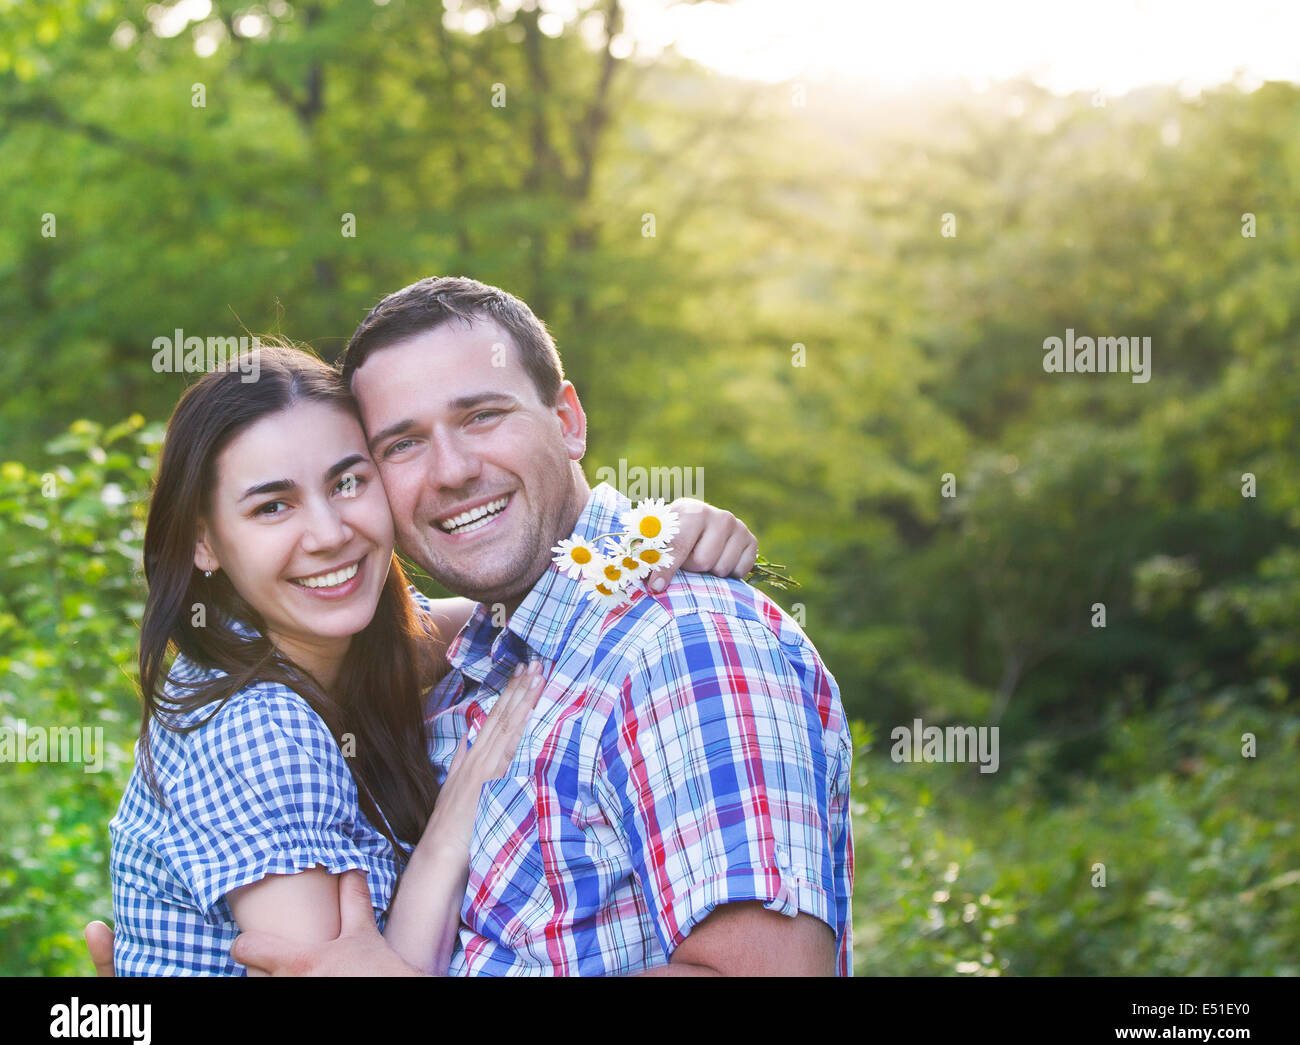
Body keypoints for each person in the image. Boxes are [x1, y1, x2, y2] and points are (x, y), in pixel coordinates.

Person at [227, 276, 855, 976]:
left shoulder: (684, 644)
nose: (453, 471)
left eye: (482, 416)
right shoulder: (480, 659)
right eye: (402, 444)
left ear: (568, 421)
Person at [98, 345, 761, 976]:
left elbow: (515, 613)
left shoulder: (341, 645)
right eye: (273, 505)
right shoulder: (256, 725)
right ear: (203, 542)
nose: (329, 534)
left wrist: (650, 536)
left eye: (348, 481)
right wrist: (450, 830)